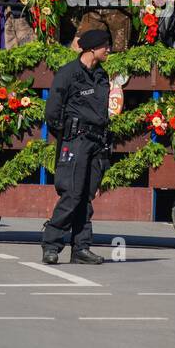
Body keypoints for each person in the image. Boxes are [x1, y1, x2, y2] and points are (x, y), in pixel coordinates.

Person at [41, 29, 113, 265]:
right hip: (75, 140)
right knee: (71, 195)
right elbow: (52, 111)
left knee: (86, 198)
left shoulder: (101, 75)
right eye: (105, 46)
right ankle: (51, 244)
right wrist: (66, 135)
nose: (109, 50)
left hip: (96, 142)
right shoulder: (68, 74)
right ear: (92, 48)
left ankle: (81, 248)